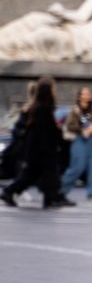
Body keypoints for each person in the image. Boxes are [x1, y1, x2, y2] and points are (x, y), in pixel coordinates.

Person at [1, 77, 69, 209]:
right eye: (53, 88)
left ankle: (10, 192)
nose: (55, 91)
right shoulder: (43, 108)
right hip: (41, 150)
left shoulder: (40, 107)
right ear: (48, 90)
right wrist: (57, 133)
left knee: (33, 175)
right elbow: (45, 131)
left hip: (37, 150)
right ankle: (50, 199)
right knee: (46, 173)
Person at [59, 87, 92, 204]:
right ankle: (60, 191)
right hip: (79, 140)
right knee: (76, 168)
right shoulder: (75, 110)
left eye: (89, 93)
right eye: (85, 93)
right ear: (79, 96)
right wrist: (82, 130)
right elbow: (70, 125)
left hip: (91, 141)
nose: (88, 95)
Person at [0, 81, 37, 181]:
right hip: (24, 138)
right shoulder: (28, 107)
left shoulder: (31, 107)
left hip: (26, 139)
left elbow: (23, 124)